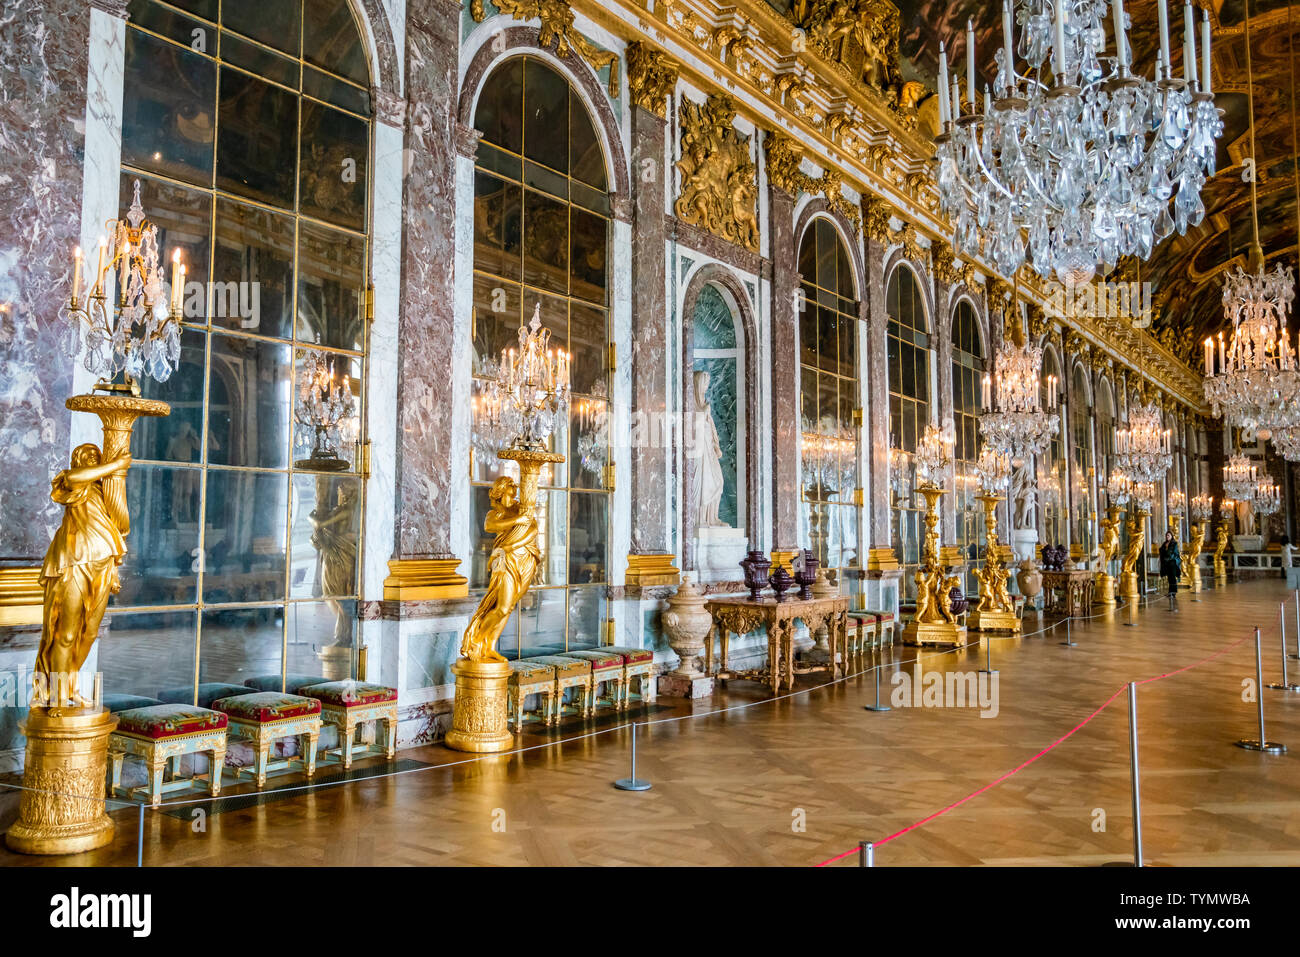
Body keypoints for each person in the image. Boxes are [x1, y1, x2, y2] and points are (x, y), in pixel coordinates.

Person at [1158, 530, 1182, 610]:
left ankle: (1174, 592)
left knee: (1172, 577)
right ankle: (1170, 592)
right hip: (1166, 563)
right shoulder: (1164, 544)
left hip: (1172, 563)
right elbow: (1161, 550)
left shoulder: (1174, 543)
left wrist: (1169, 557)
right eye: (1166, 535)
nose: (1167, 536)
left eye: (1169, 535)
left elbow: (1175, 553)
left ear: (1171, 536)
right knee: (1169, 577)